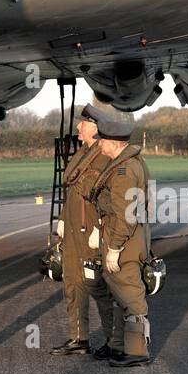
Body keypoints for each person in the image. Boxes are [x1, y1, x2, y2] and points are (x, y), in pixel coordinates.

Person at [50, 102, 134, 360]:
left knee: (97, 285)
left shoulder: (103, 156)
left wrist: (100, 227)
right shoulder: (84, 152)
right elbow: (73, 190)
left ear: (95, 128)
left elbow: (108, 198)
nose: (78, 127)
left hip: (91, 231)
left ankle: (113, 339)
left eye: (82, 123)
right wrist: (64, 220)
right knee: (73, 283)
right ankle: (79, 337)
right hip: (75, 231)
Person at [88, 109, 153, 367]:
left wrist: (114, 247)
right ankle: (120, 347)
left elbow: (125, 215)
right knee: (120, 296)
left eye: (102, 140)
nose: (99, 143)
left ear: (113, 143)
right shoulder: (127, 164)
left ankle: (137, 353)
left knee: (131, 298)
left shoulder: (124, 171)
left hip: (124, 241)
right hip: (121, 237)